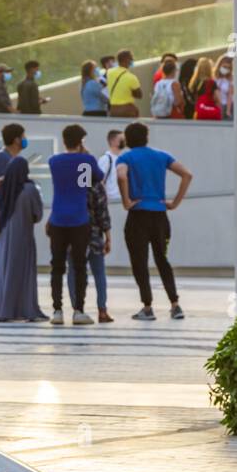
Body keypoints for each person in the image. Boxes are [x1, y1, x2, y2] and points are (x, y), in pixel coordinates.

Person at [117, 121, 191, 321]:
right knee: (162, 259)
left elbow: (122, 176)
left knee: (139, 262)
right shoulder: (161, 156)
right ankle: (175, 305)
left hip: (137, 215)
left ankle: (147, 307)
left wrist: (126, 201)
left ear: (128, 139)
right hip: (159, 215)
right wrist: (174, 203)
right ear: (146, 137)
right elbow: (187, 174)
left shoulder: (125, 157)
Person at [0, 123, 47, 322]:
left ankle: (7, 308)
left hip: (9, 219)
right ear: (16, 139)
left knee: (6, 266)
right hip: (8, 215)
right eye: (23, 136)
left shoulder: (12, 159)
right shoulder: (1, 157)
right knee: (17, 267)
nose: (25, 139)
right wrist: (7, 180)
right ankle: (20, 308)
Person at [45, 124, 98, 326]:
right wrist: (85, 155)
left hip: (58, 219)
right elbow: (94, 180)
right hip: (79, 220)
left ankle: (57, 310)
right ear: (80, 142)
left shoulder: (54, 161)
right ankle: (79, 310)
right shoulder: (87, 160)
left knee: (56, 266)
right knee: (79, 266)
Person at [66, 158, 113, 324]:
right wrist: (108, 237)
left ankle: (77, 309)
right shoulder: (97, 186)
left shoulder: (72, 188)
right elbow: (103, 214)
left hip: (73, 236)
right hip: (94, 236)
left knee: (73, 271)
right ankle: (102, 310)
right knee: (99, 273)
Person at [106, 49, 142, 118]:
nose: (132, 61)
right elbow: (139, 95)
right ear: (127, 60)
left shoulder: (109, 72)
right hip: (127, 110)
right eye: (131, 59)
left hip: (113, 110)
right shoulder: (131, 77)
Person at [96, 129, 124, 202]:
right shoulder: (106, 159)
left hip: (121, 200)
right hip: (111, 201)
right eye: (121, 139)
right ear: (112, 141)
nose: (124, 141)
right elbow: (100, 181)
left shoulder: (123, 158)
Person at [214, 55, 235, 120]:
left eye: (228, 68)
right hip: (216, 105)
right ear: (219, 65)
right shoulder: (214, 79)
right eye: (224, 67)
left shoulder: (230, 80)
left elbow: (230, 95)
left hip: (226, 106)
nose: (226, 69)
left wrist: (228, 111)